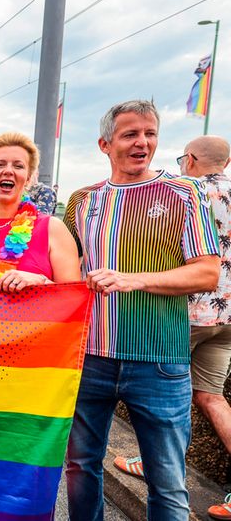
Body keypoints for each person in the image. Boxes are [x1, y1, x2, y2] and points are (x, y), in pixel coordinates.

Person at [63, 100, 220, 520]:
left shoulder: (184, 191)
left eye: (150, 133)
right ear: (104, 144)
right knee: (79, 468)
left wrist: (136, 279)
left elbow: (207, 274)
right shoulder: (81, 200)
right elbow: (66, 272)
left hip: (160, 363)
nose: (143, 142)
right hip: (89, 359)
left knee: (167, 481)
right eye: (131, 134)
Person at [110, 135, 231, 519]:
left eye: (182, 159)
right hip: (228, 318)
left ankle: (156, 463)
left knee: (162, 397)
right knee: (211, 397)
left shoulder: (187, 190)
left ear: (191, 160)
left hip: (186, 313)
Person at [0, 132, 79, 291]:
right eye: (0, 164)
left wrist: (41, 282)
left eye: (18, 166)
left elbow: (74, 297)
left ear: (28, 178)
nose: (8, 171)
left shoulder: (52, 229)